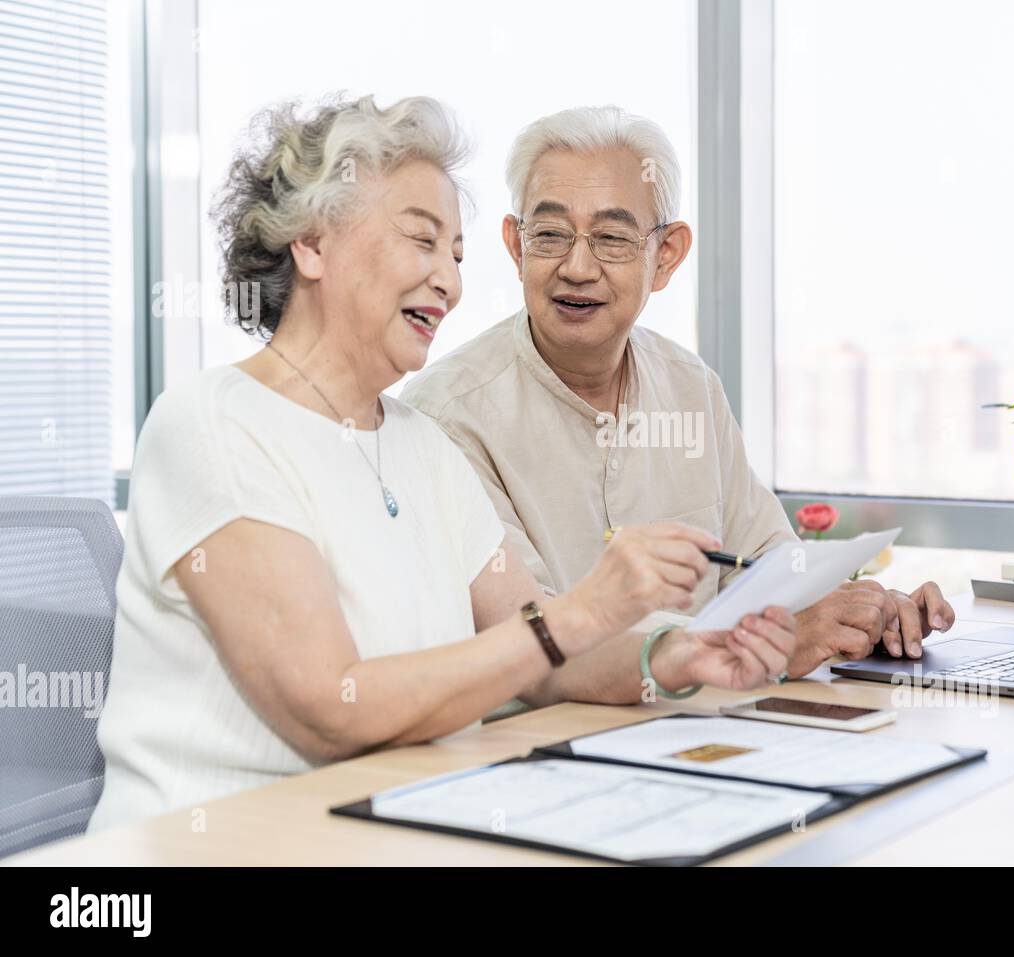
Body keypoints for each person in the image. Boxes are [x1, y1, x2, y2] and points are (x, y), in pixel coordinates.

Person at [89, 96, 796, 832]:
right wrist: (584, 610)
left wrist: (675, 655)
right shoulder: (214, 424)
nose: (450, 283)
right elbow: (330, 706)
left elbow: (545, 658)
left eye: (456, 255)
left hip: (397, 825)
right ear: (312, 243)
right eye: (422, 242)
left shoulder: (420, 443)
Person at [402, 105, 954, 681]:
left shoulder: (692, 387)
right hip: (545, 744)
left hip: (711, 728)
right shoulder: (448, 415)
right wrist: (750, 646)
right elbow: (531, 641)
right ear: (517, 247)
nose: (577, 266)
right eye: (551, 235)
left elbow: (768, 566)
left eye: (612, 238)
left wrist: (865, 614)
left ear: (665, 255)